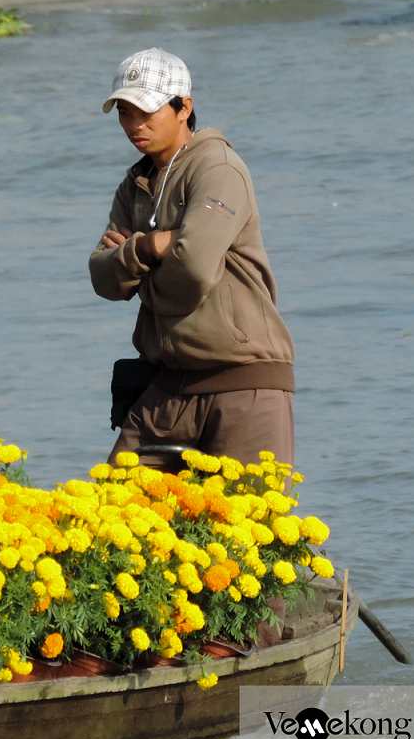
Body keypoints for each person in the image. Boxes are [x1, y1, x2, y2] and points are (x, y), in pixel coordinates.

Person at [86, 48, 297, 467]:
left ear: (184, 107)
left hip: (244, 385)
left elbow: (194, 273)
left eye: (146, 111)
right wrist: (149, 247)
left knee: (252, 532)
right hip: (167, 386)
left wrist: (137, 265)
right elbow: (103, 279)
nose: (134, 125)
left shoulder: (217, 168)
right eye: (125, 112)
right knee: (107, 517)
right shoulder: (135, 185)